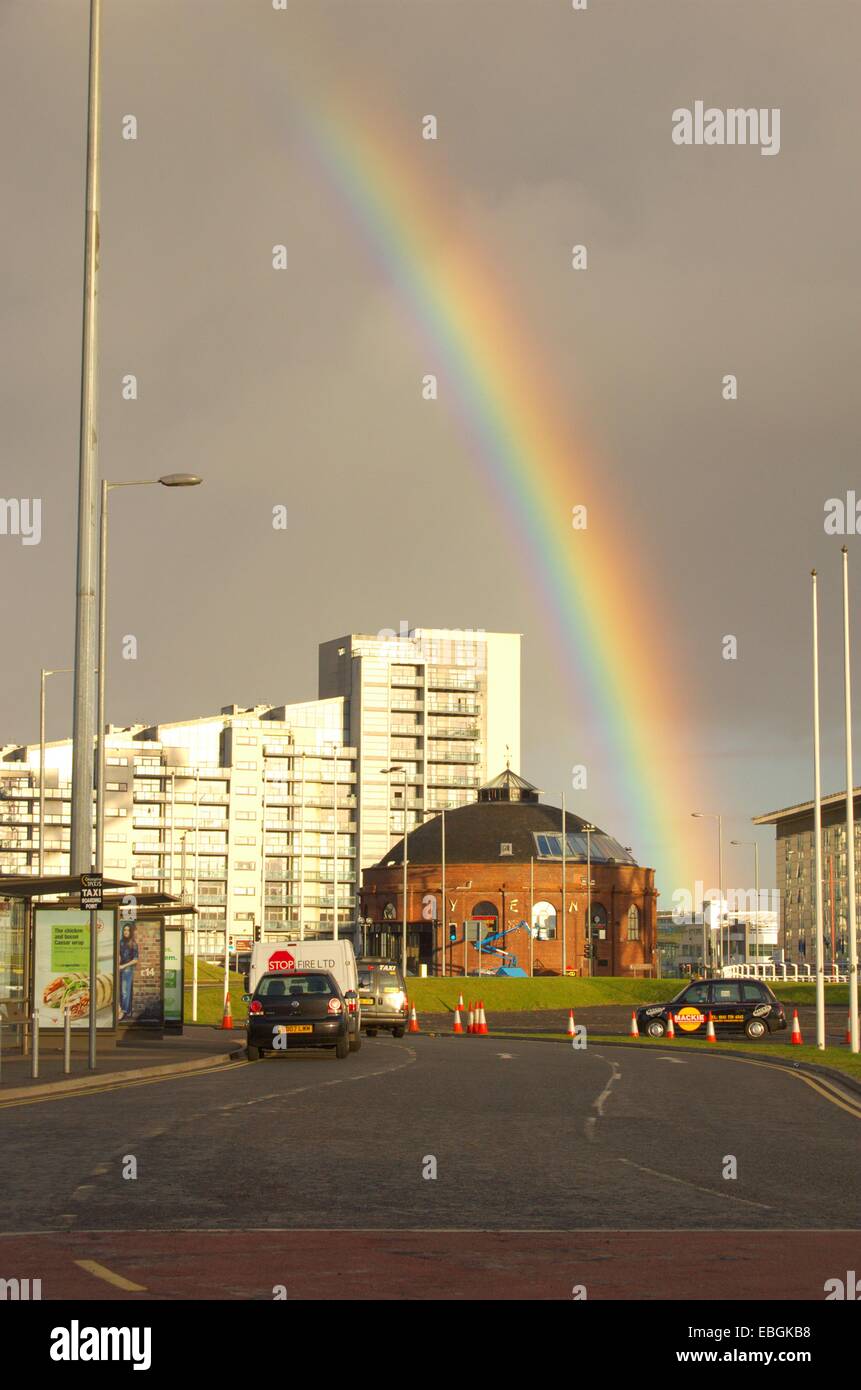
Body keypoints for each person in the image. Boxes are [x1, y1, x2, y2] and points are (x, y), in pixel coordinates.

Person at [118, 921, 140, 1020]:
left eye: (128, 930)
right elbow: (119, 954)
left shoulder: (133, 944)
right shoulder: (120, 942)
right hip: (119, 968)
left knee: (125, 991)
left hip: (127, 969)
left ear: (131, 932)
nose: (126, 932)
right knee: (119, 991)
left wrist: (123, 966)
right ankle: (120, 1008)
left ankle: (124, 1011)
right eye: (125, 930)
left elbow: (135, 960)